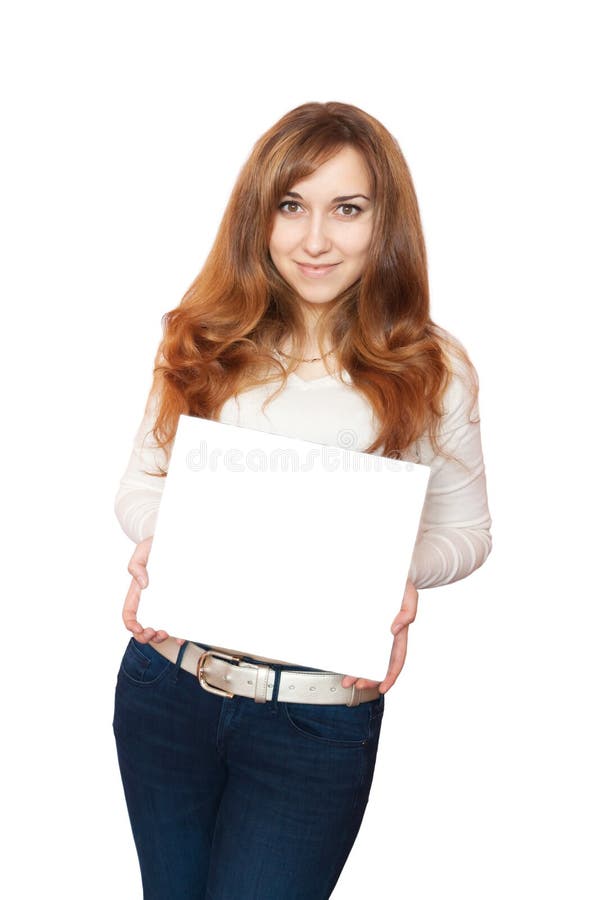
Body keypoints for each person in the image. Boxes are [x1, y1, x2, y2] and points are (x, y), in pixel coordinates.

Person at [112, 100, 492, 900]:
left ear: (383, 221)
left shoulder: (432, 366)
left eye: (346, 210)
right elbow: (142, 484)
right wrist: (167, 538)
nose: (315, 240)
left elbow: (466, 531)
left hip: (316, 718)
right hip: (165, 691)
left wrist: (393, 566)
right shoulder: (202, 336)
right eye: (292, 207)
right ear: (261, 217)